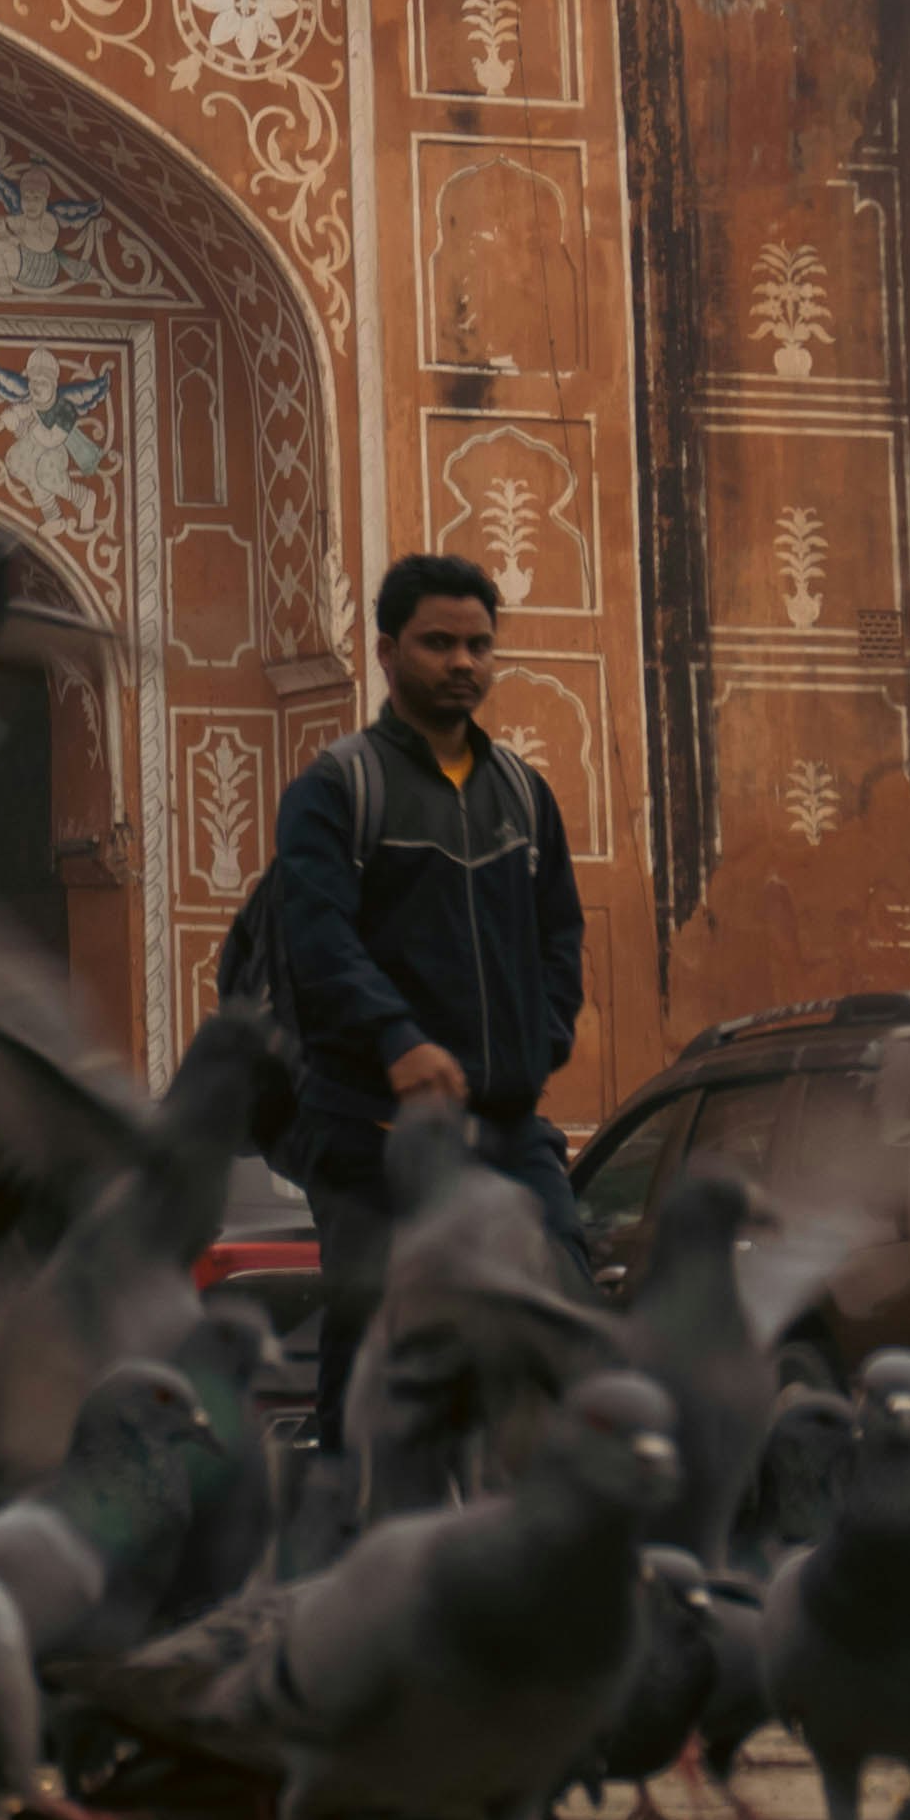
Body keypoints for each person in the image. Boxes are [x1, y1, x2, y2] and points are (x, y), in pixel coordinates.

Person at [247, 550, 592, 1449]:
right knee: (375, 1338)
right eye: (439, 643)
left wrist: (543, 1038)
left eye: (479, 644)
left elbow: (559, 932)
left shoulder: (522, 792)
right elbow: (317, 940)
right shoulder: (337, 789)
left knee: (567, 1307)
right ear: (387, 652)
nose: (463, 663)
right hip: (372, 1127)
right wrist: (396, 1041)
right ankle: (351, 1532)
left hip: (506, 1124)